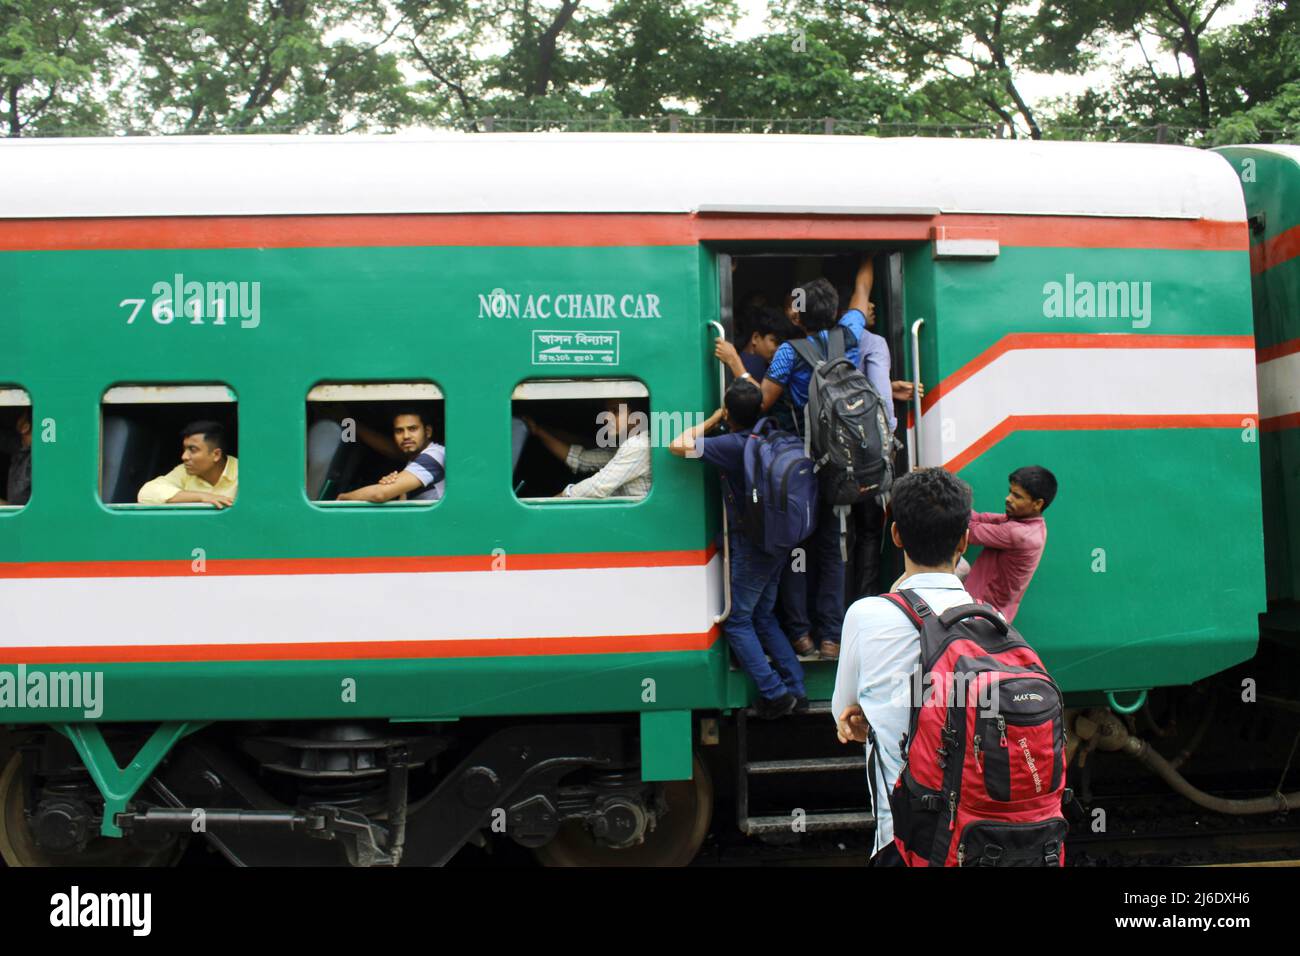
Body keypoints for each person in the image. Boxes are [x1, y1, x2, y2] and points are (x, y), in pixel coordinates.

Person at [831, 466, 975, 866]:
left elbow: (843, 717)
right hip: (983, 840)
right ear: (964, 539)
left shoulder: (866, 615)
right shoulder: (989, 620)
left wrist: (865, 716)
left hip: (905, 843)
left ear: (896, 535)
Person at [669, 379, 806, 718]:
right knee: (762, 615)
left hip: (752, 545)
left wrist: (713, 420)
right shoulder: (775, 436)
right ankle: (797, 688)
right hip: (780, 541)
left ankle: (775, 694)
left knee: (737, 621)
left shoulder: (731, 446)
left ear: (729, 413)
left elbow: (677, 444)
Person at [761, 277, 864, 661]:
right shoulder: (850, 335)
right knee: (834, 550)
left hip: (802, 468)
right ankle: (831, 639)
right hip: (843, 464)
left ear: (797, 315)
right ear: (835, 312)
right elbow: (861, 298)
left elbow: (761, 401)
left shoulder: (789, 352)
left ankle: (800, 635)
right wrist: (867, 264)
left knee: (796, 548)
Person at [963, 466, 1056, 624]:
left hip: (983, 615)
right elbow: (978, 518)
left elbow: (968, 531)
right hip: (985, 611)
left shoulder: (1018, 534)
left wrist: (945, 495)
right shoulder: (1024, 523)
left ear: (1038, 503)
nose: (1008, 498)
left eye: (1017, 496)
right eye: (1010, 492)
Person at [524, 398, 652, 499]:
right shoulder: (626, 444)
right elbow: (582, 459)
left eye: (615, 411)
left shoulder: (638, 445)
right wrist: (538, 430)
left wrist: (555, 501)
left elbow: (598, 486)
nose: (606, 418)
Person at [337, 410, 446, 502]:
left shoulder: (434, 455)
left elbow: (379, 494)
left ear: (428, 432)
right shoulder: (413, 460)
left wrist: (343, 498)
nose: (406, 436)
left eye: (412, 429)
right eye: (399, 431)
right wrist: (393, 485)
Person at [138, 421, 238, 508]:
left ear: (216, 454)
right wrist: (202, 497)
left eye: (193, 450)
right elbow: (147, 493)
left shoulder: (242, 471)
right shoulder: (184, 471)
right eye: (184, 449)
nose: (184, 456)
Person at [714, 305, 799, 383]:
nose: (779, 349)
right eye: (775, 341)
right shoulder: (755, 363)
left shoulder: (748, 360)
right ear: (755, 337)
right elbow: (759, 398)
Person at [0, 410, 32, 507]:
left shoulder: (36, 461)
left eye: (21, 417)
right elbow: (5, 440)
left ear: (25, 427)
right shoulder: (21, 447)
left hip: (24, 520)